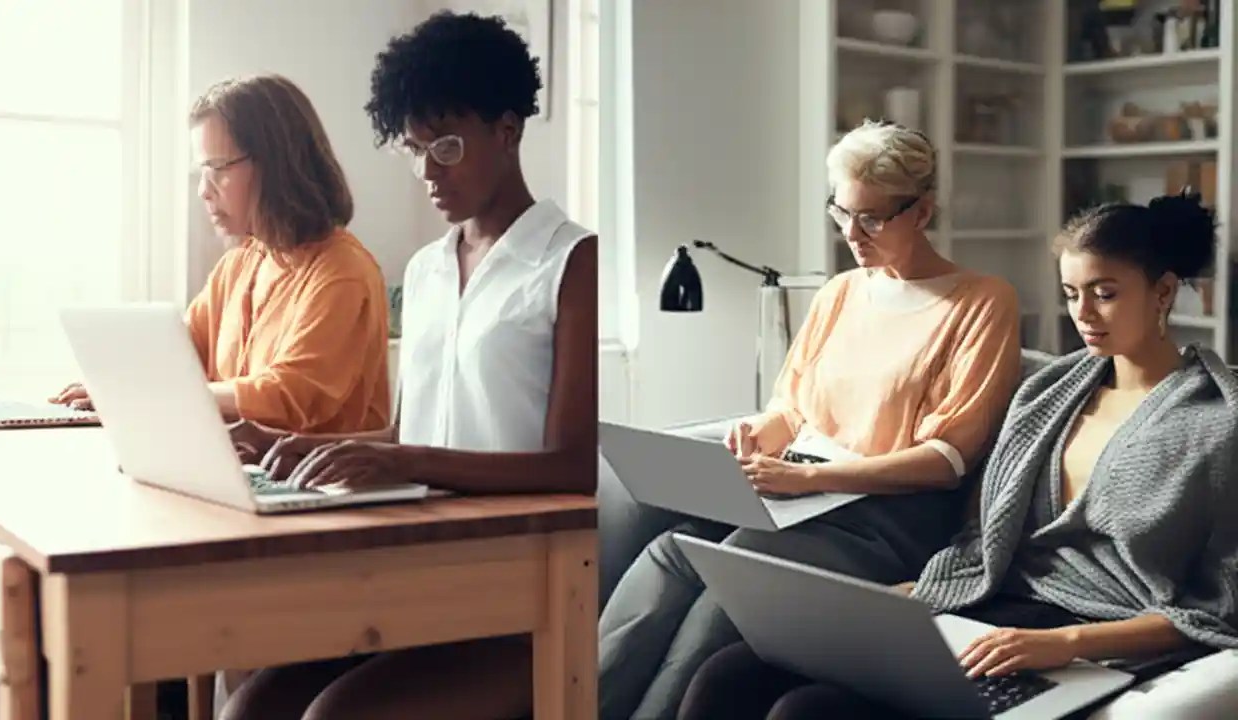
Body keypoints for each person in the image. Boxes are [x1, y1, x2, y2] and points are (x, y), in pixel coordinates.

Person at [679, 191, 1238, 719]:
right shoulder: (1048, 395)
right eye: (1071, 294)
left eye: (1105, 293)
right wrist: (917, 596)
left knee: (807, 712)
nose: (1083, 314)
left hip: (1092, 636)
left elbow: (1218, 608)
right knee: (730, 672)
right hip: (994, 605)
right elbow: (985, 536)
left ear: (1163, 292)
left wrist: (1064, 643)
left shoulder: (1216, 424)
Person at [219, 11, 597, 720]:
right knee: (247, 708)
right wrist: (288, 445)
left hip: (521, 601)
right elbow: (404, 435)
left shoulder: (571, 263)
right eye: (413, 148)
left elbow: (574, 467)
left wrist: (405, 462)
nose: (427, 171)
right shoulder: (426, 270)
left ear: (507, 132)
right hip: (413, 577)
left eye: (446, 146)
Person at [598, 120, 1024, 720]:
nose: (851, 233)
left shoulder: (982, 301)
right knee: (670, 553)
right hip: (805, 494)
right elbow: (793, 408)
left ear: (922, 211)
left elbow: (948, 459)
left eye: (872, 218)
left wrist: (812, 479)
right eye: (841, 212)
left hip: (889, 517)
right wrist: (758, 436)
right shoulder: (840, 293)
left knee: (734, 573)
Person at [50, 75, 391, 436]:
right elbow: (179, 358)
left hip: (315, 471)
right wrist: (115, 386)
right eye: (202, 171)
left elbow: (293, 394)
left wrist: (146, 396)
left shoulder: (343, 272)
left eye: (217, 168)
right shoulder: (238, 265)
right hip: (239, 464)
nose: (203, 190)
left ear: (275, 164)